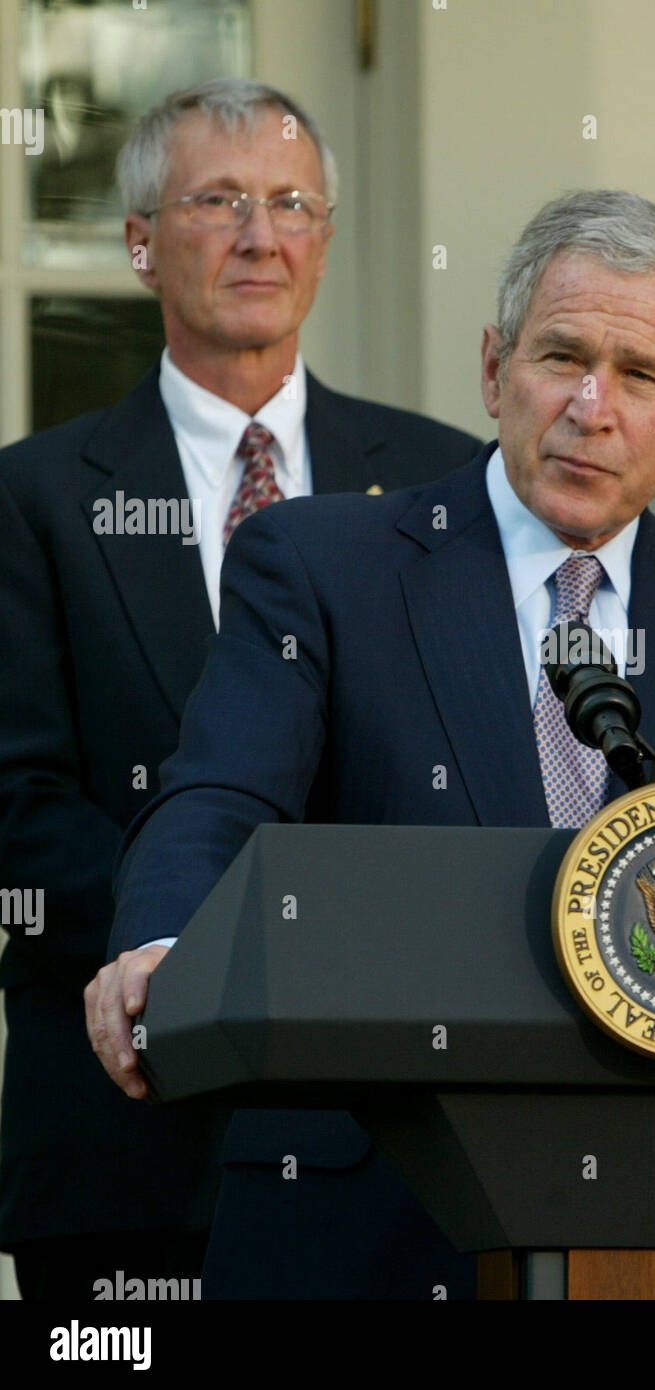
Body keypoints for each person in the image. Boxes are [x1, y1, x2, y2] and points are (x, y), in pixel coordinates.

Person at [87, 189, 655, 1298]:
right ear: (493, 368)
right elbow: (221, 793)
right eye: (562, 357)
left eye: (640, 375)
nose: (590, 408)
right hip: (366, 1214)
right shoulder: (323, 564)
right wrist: (166, 944)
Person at [0, 78, 479, 1302]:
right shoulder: (33, 497)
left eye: (292, 203)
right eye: (218, 201)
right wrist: (241, 934)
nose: (261, 235)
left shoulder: (444, 482)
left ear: (325, 236)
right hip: (127, 1138)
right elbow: (17, 805)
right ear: (140, 242)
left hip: (402, 1143)